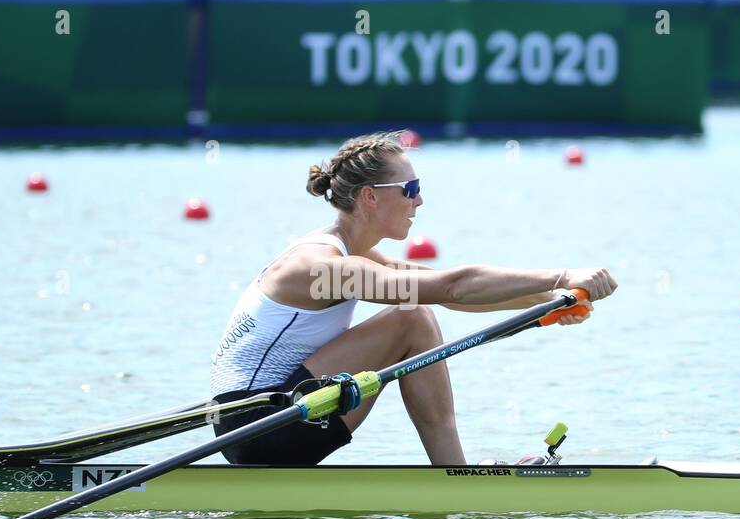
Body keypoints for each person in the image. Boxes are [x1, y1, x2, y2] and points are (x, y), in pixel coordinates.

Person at [209, 130, 617, 465]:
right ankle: (455, 475)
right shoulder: (321, 268)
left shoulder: (354, 255)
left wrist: (548, 301)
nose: (419, 200)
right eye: (411, 188)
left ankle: (455, 474)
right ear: (370, 196)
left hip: (275, 418)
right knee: (411, 318)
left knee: (416, 312)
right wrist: (565, 273)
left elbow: (448, 293)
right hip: (258, 426)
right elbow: (451, 287)